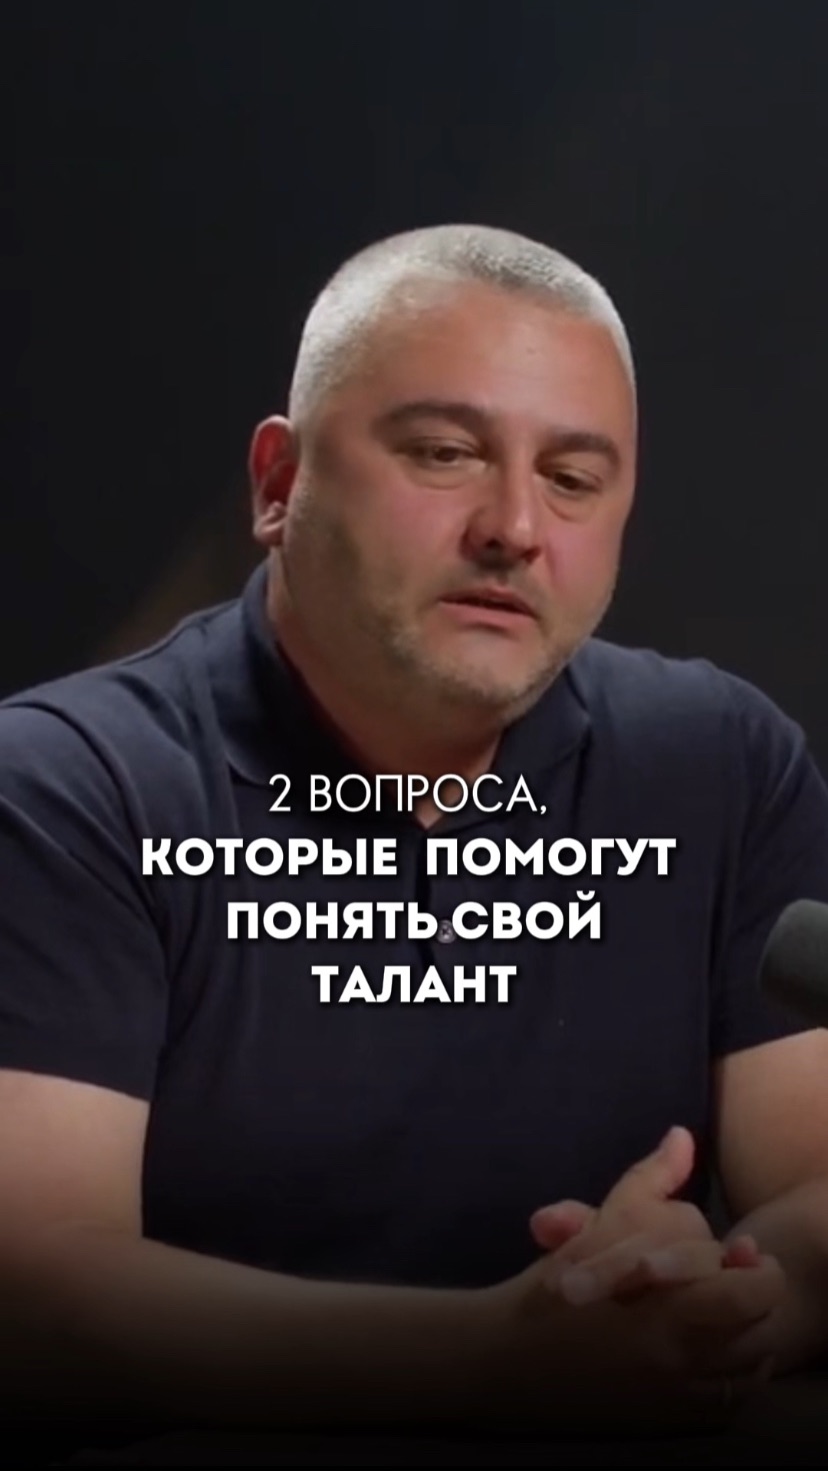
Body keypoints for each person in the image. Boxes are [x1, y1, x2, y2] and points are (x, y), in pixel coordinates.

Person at [1, 222, 828, 1444]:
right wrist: (497, 1360)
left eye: (573, 479)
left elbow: (817, 1183)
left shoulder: (720, 760)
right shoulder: (67, 785)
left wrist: (730, 1307)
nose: (514, 527)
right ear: (278, 485)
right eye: (445, 454)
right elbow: (34, 1287)